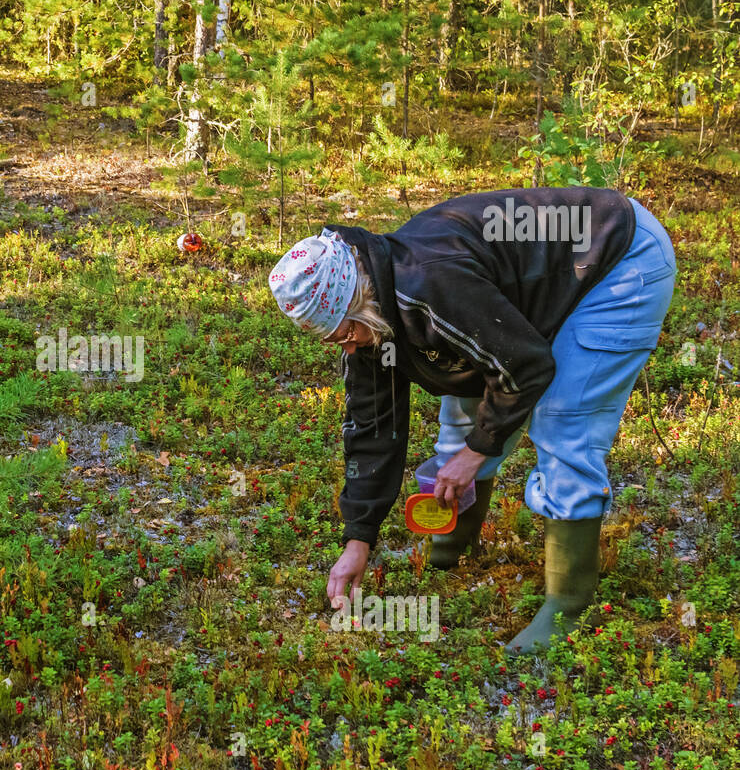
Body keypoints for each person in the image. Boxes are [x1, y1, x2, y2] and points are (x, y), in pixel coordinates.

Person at [268, 187, 676, 653]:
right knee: (464, 405)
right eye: (332, 340)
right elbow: (374, 428)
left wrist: (478, 449)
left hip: (617, 261)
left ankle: (567, 606)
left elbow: (526, 366)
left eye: (346, 332)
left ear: (358, 299)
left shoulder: (429, 286)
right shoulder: (370, 322)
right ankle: (452, 546)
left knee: (564, 424)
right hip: (544, 283)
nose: (348, 346)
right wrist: (358, 540)